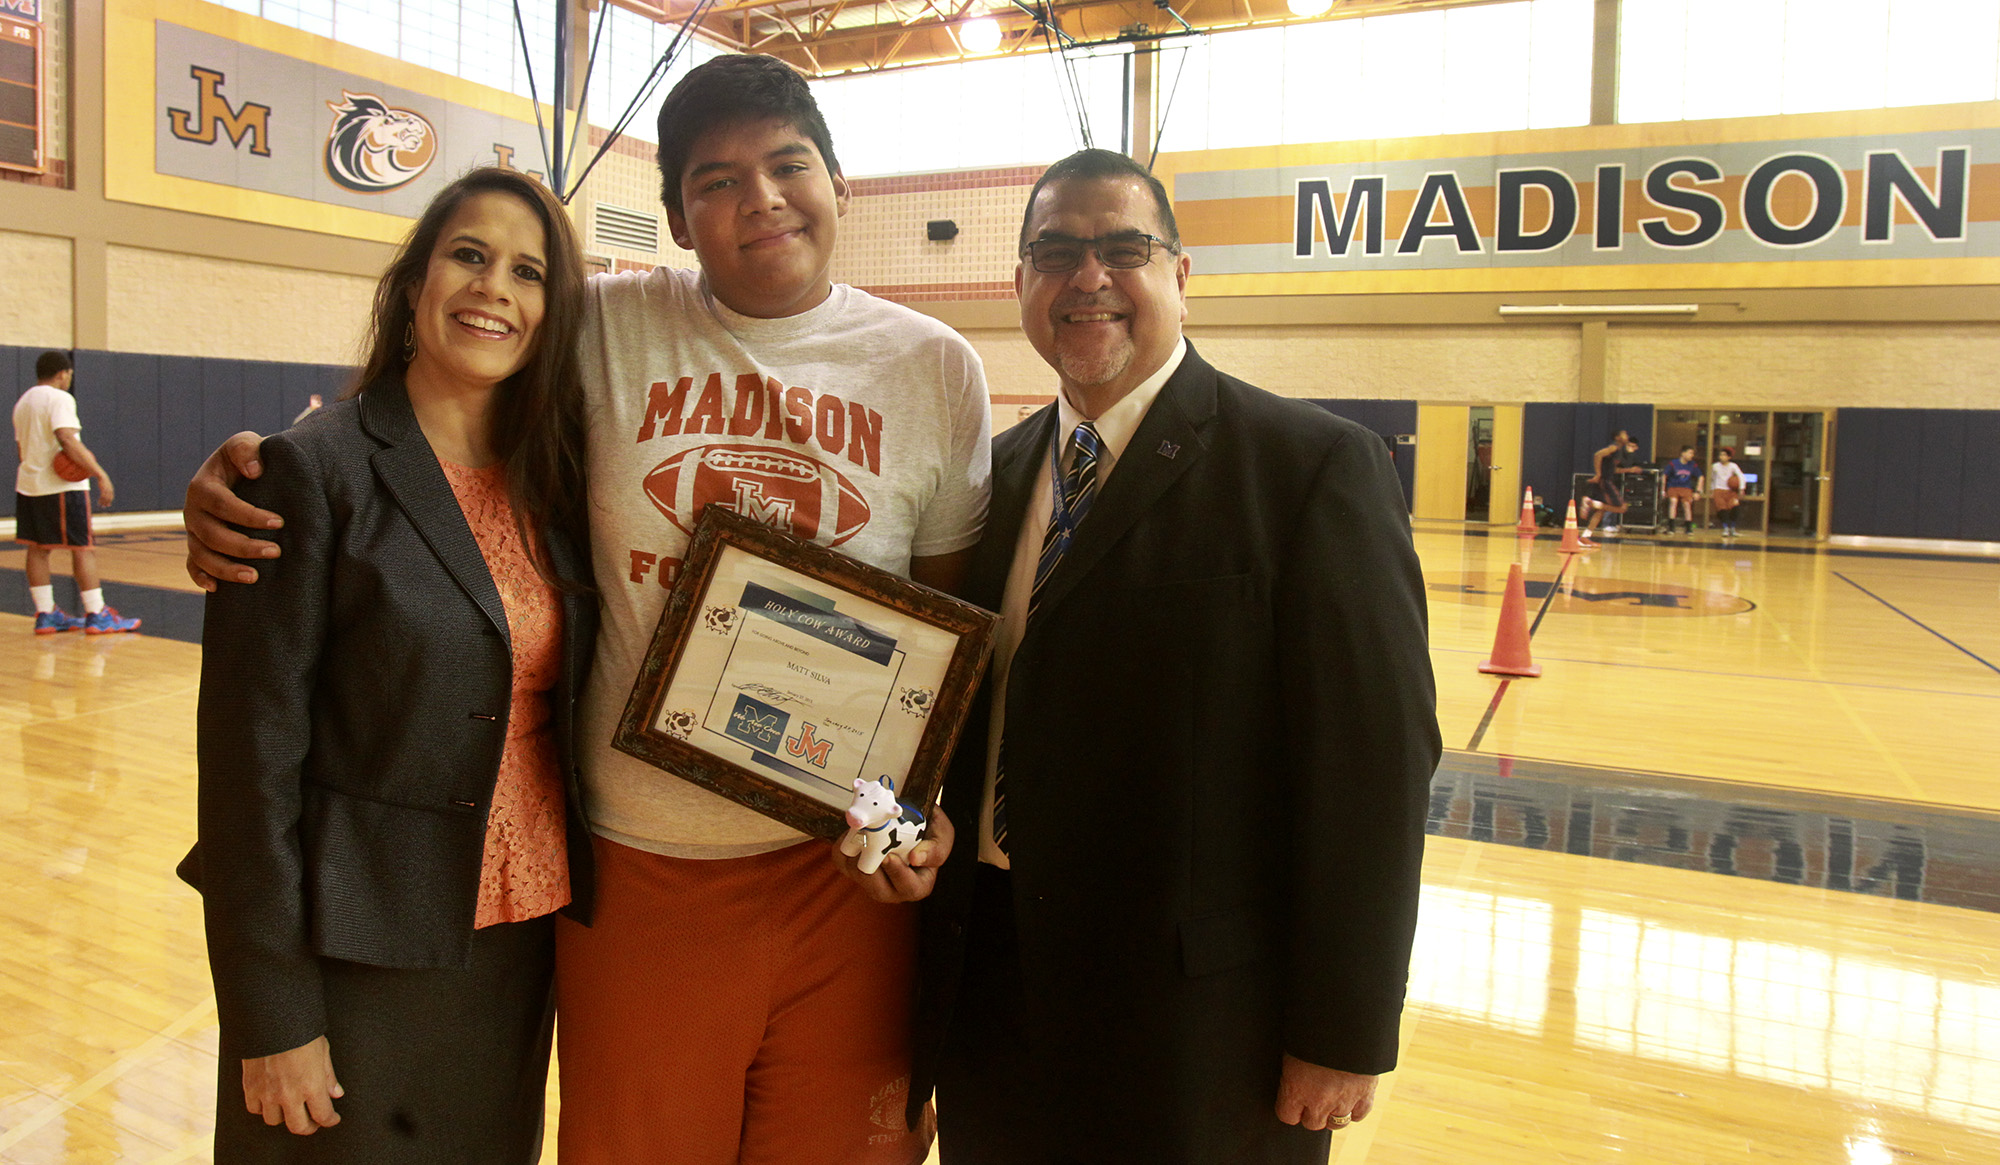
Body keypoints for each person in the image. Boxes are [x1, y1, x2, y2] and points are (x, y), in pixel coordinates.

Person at [182, 55, 989, 1165]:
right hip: (639, 862)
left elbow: (941, 642)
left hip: (837, 871)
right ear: (674, 219)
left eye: (788, 165)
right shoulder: (597, 328)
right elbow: (424, 411)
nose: (759, 197)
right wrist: (242, 475)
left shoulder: (937, 370)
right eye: (716, 179)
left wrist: (916, 817)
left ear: (840, 184)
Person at [907, 149, 1442, 1164]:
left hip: (1203, 1026)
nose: (1087, 277)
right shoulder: (991, 477)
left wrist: (1342, 1029)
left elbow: (1370, 770)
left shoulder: (1307, 468)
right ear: (1019, 283)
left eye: (1122, 248)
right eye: (1054, 252)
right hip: (993, 995)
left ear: (1180, 275)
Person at [180, 166, 598, 1163]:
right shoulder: (310, 468)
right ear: (413, 285)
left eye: (528, 270)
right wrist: (269, 1011)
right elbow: (247, 770)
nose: (495, 285)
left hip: (512, 945)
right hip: (352, 948)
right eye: (468, 254)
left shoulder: (562, 481)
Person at [12, 351, 141, 634]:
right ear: (63, 373)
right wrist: (100, 473)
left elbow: (22, 450)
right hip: (62, 487)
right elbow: (67, 439)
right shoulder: (60, 399)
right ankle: (97, 614)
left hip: (30, 484)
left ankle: (46, 614)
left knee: (37, 549)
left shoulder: (23, 402)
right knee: (83, 548)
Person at [1579, 428, 1641, 539]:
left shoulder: (1619, 451)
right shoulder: (1615, 447)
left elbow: (1614, 470)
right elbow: (1598, 455)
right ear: (1618, 438)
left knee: (1601, 511)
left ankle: (1585, 537)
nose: (1627, 435)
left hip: (1605, 480)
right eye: (1624, 434)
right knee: (1622, 507)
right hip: (1605, 481)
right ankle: (1591, 503)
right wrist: (1598, 474)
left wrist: (1630, 470)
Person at [1661, 445, 1700, 535]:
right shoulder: (1673, 463)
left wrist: (1698, 491)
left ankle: (1688, 528)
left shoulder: (1693, 464)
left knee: (1687, 504)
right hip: (1673, 486)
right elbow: (1664, 475)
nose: (1692, 455)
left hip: (1686, 487)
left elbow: (1701, 477)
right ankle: (1671, 527)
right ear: (1683, 453)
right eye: (1690, 453)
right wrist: (1663, 490)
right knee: (1673, 501)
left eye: (1692, 453)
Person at [1711, 445, 1748, 537]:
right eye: (1720, 455)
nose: (1721, 457)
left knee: (1735, 508)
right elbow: (1712, 478)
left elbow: (1741, 476)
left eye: (1724, 455)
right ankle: (1725, 529)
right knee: (1722, 510)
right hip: (1719, 490)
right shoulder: (1715, 466)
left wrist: (1741, 488)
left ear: (1729, 457)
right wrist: (1711, 489)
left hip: (1731, 491)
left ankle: (1732, 528)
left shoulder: (1733, 466)